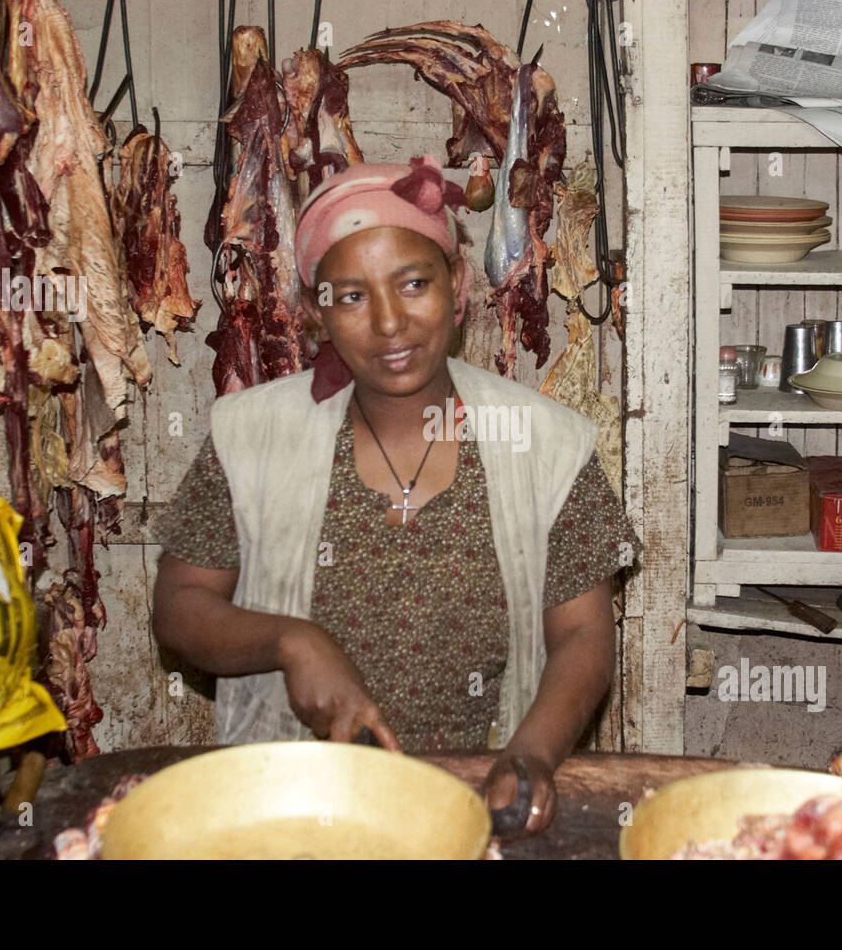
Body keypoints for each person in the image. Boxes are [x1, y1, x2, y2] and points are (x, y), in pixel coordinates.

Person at [152, 155, 638, 835]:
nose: (388, 324)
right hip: (298, 810)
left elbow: (583, 634)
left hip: (485, 801)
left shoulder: (547, 445)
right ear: (317, 312)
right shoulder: (252, 435)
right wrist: (293, 641)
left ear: (458, 284)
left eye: (413, 284)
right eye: (350, 296)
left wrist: (531, 755)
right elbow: (179, 607)